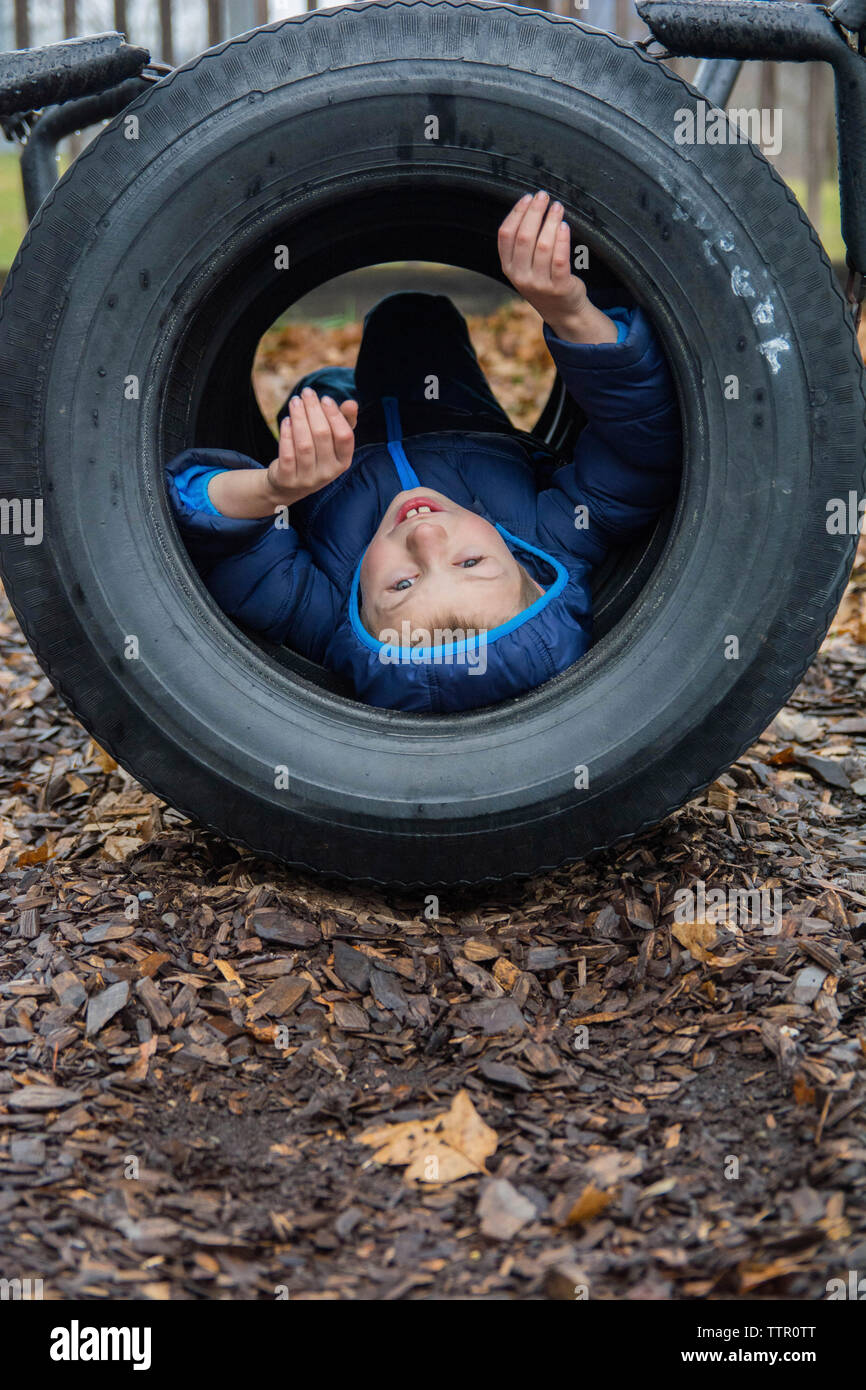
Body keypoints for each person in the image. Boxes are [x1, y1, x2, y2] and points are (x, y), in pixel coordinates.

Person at [166, 191, 682, 712]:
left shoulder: (320, 614)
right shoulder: (557, 535)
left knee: (316, 398)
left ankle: (334, 389)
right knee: (413, 316)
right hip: (451, 413)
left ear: (361, 616)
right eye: (472, 561)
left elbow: (206, 530)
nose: (427, 536)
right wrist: (570, 310)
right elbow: (641, 449)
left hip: (335, 461)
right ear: (529, 571)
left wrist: (272, 488)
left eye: (403, 583)